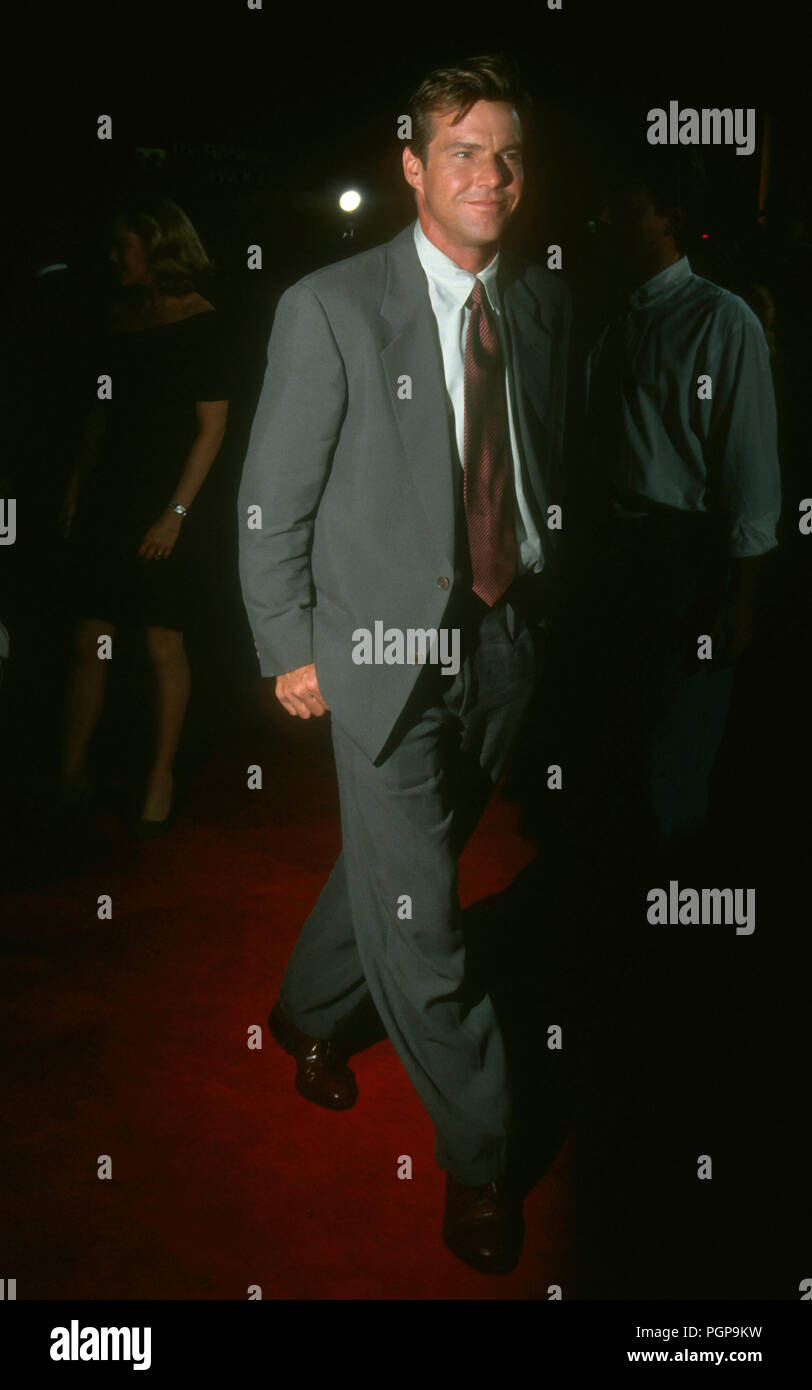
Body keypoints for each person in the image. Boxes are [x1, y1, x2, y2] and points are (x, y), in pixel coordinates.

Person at [238, 55, 572, 1274]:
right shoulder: (328, 306)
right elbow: (271, 498)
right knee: (426, 921)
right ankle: (481, 1158)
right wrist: (286, 646)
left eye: (509, 153)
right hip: (373, 661)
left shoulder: (536, 302)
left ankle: (307, 1012)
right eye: (465, 150)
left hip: (501, 644)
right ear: (412, 166)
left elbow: (533, 468)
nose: (491, 174)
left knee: (396, 867)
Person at [569, 150, 781, 865]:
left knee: (675, 753)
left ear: (672, 220)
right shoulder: (607, 318)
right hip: (614, 554)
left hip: (683, 557)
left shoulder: (723, 322)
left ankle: (665, 920)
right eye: (605, 210)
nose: (604, 222)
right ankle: (620, 909)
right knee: (617, 739)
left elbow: (750, 467)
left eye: (625, 210)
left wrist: (740, 597)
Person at [60, 195, 230, 835]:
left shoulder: (203, 323)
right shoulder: (119, 318)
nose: (112, 258)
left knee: (161, 638)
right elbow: (100, 413)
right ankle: (69, 773)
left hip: (167, 498)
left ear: (158, 249)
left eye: (122, 247)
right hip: (109, 492)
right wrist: (78, 486)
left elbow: (212, 428)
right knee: (89, 637)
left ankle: (160, 776)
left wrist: (176, 512)